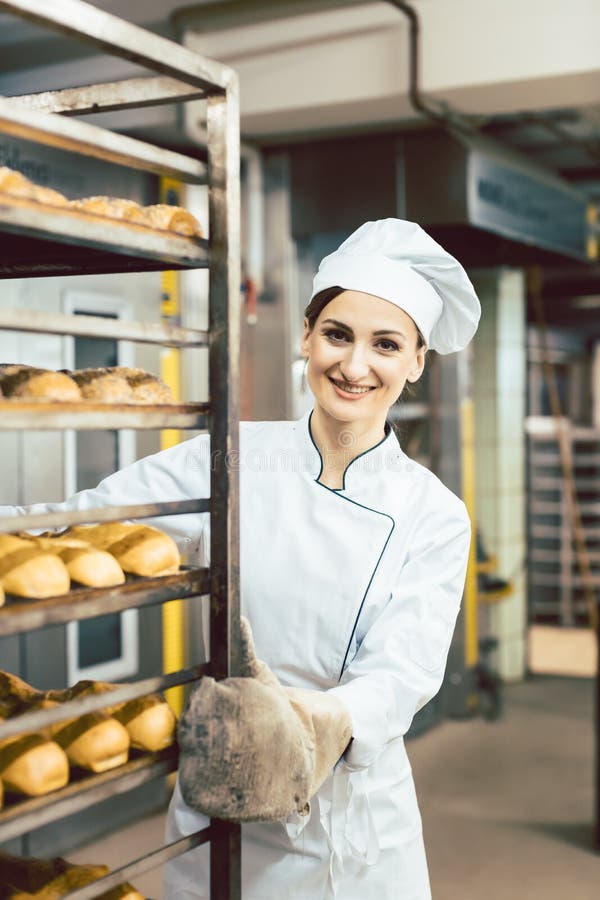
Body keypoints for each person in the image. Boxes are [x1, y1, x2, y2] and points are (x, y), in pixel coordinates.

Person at [1, 219, 480, 899]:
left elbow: (401, 673)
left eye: (385, 345)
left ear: (416, 362)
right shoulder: (232, 458)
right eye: (338, 335)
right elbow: (82, 526)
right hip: (217, 806)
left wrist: (318, 723)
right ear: (306, 337)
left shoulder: (433, 512)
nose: (354, 365)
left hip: (351, 832)